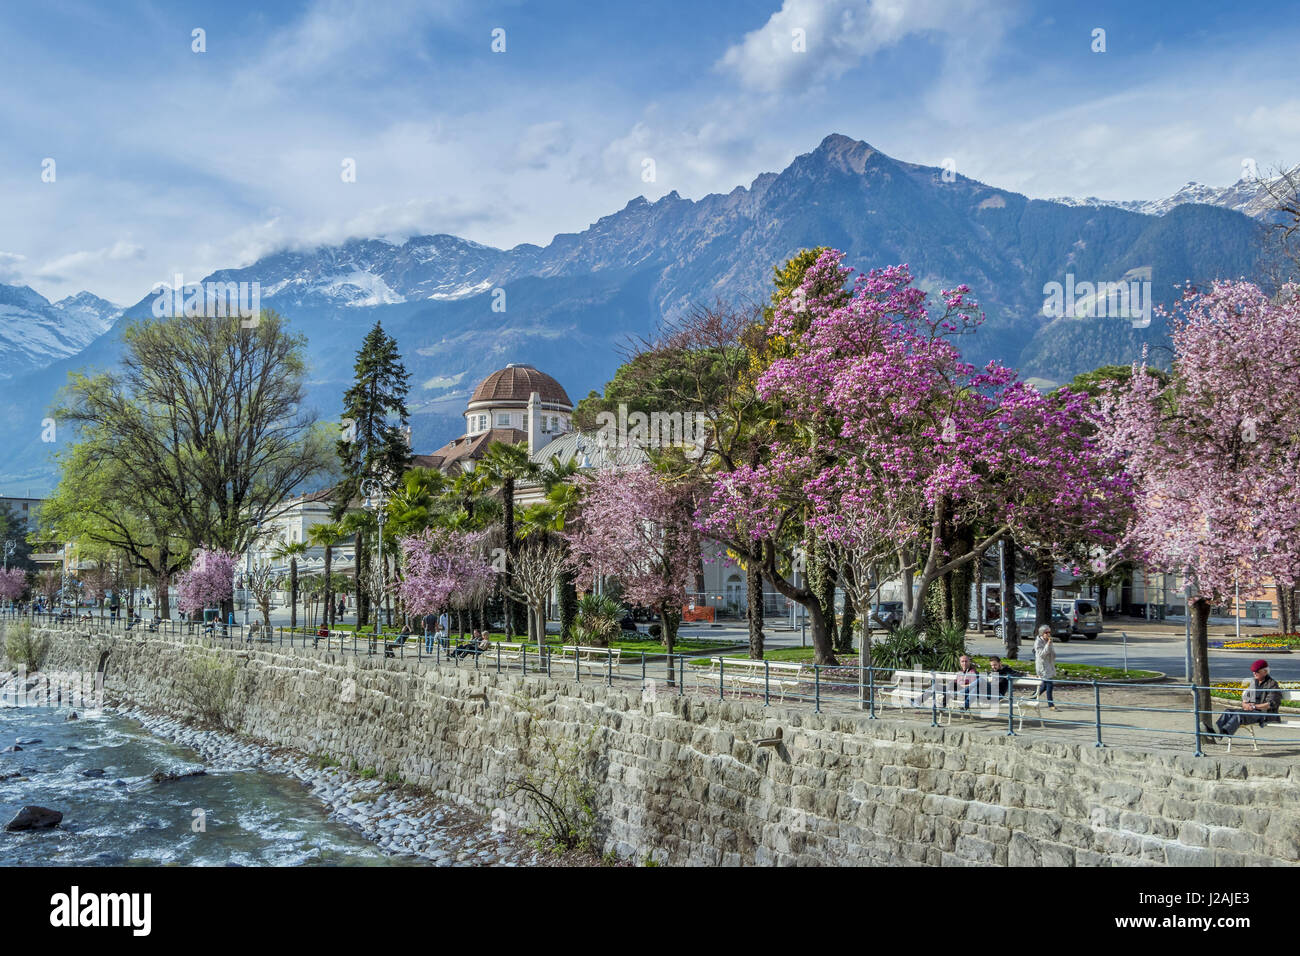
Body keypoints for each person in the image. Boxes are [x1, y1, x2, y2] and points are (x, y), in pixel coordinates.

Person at [1214, 659, 1282, 738]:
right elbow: (1246, 698)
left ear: (1265, 672)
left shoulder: (1272, 684)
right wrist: (1245, 704)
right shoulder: (1254, 682)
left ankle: (1222, 732)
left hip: (1264, 714)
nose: (1254, 673)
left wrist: (1254, 706)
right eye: (1253, 671)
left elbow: (1271, 704)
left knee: (1239, 715)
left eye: (1257, 672)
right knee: (1228, 712)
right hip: (1251, 711)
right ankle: (1215, 731)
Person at [1033, 625, 1056, 709]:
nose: (1048, 634)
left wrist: (1053, 655)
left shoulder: (1048, 641)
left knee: (1044, 686)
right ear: (1042, 633)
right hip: (1042, 667)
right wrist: (1048, 644)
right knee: (1050, 685)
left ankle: (1032, 698)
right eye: (1046, 632)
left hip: (1049, 665)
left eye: (1049, 632)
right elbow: (1042, 654)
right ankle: (1051, 705)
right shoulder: (1038, 642)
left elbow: (1051, 652)